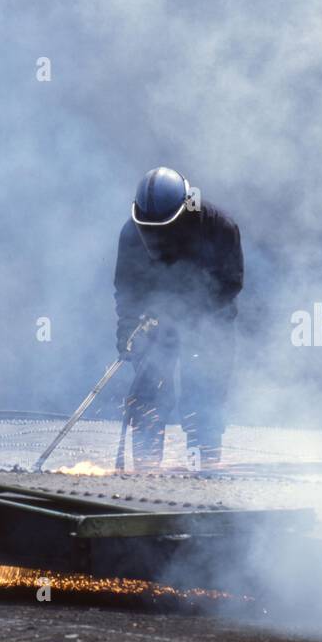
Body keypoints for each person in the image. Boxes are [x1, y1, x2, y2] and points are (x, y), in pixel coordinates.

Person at [114, 166, 243, 468]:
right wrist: (128, 331)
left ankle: (205, 467)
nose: (155, 235)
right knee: (148, 393)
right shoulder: (131, 233)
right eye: (150, 227)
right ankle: (146, 469)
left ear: (185, 210)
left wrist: (188, 313)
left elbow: (230, 284)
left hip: (210, 325)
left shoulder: (219, 227)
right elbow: (127, 290)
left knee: (204, 393)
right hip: (155, 324)